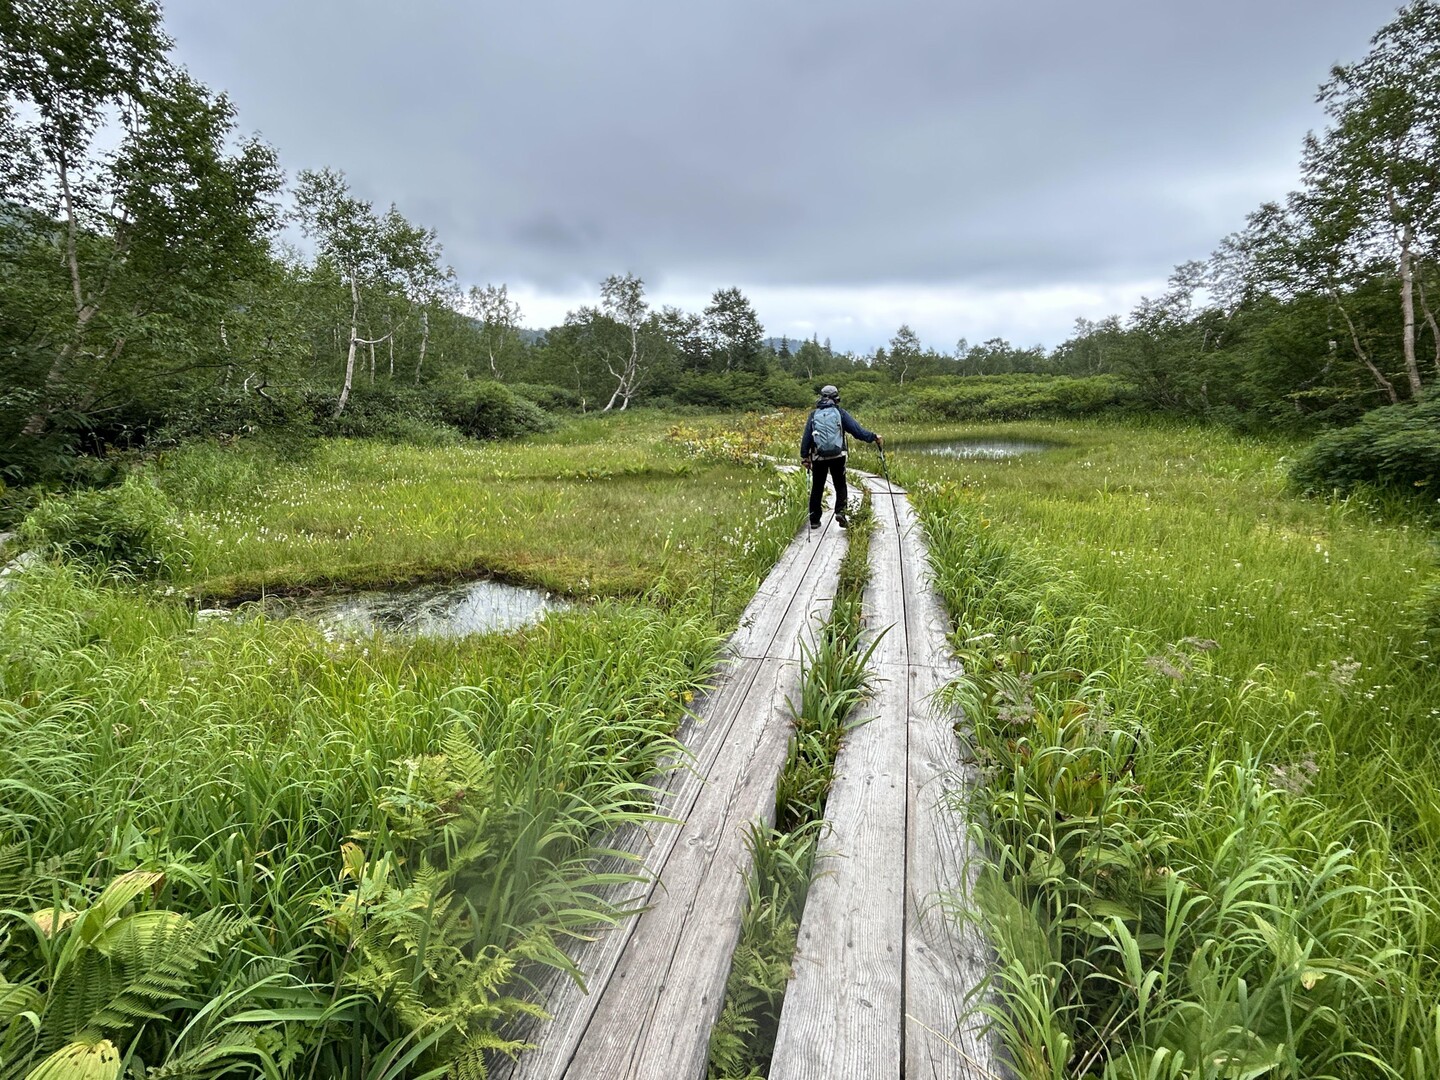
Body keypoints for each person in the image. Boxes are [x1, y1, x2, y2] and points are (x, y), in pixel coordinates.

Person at [798, 385, 881, 530]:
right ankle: (841, 512)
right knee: (840, 485)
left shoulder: (814, 415)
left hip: (819, 457)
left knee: (817, 487)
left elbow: (807, 438)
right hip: (838, 455)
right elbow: (857, 431)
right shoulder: (840, 413)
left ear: (821, 397)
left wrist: (805, 457)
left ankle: (814, 520)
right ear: (836, 397)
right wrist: (873, 437)